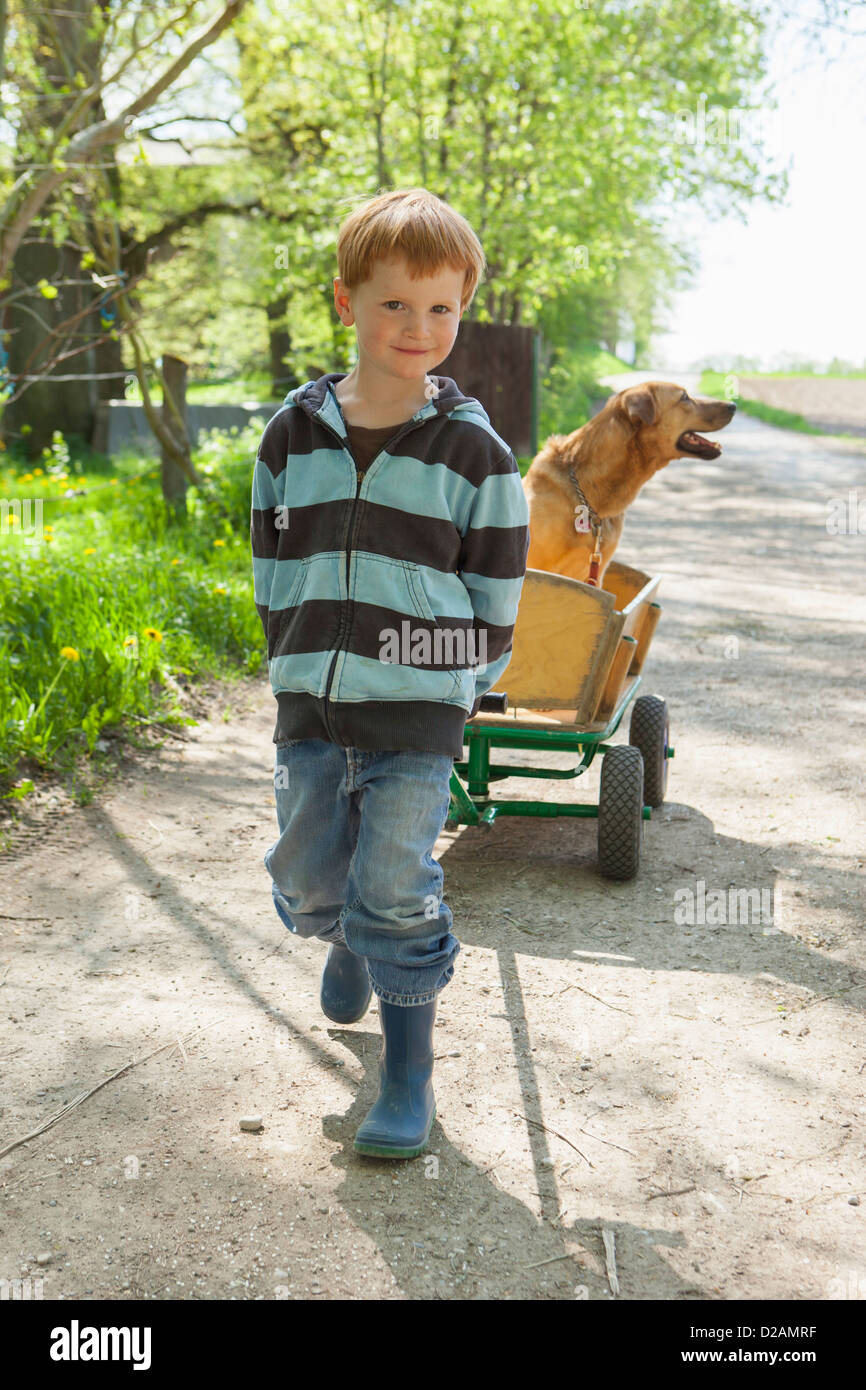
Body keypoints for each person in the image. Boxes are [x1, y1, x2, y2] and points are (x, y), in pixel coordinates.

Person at [250, 187, 529, 1158]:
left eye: (440, 307)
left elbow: (496, 589)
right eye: (394, 304)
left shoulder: (473, 454)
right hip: (312, 705)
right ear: (346, 303)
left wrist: (457, 678)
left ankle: (405, 1076)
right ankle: (344, 934)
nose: (418, 327)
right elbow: (270, 560)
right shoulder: (289, 435)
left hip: (417, 712)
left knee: (399, 885)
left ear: (461, 310)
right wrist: (291, 653)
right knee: (306, 877)